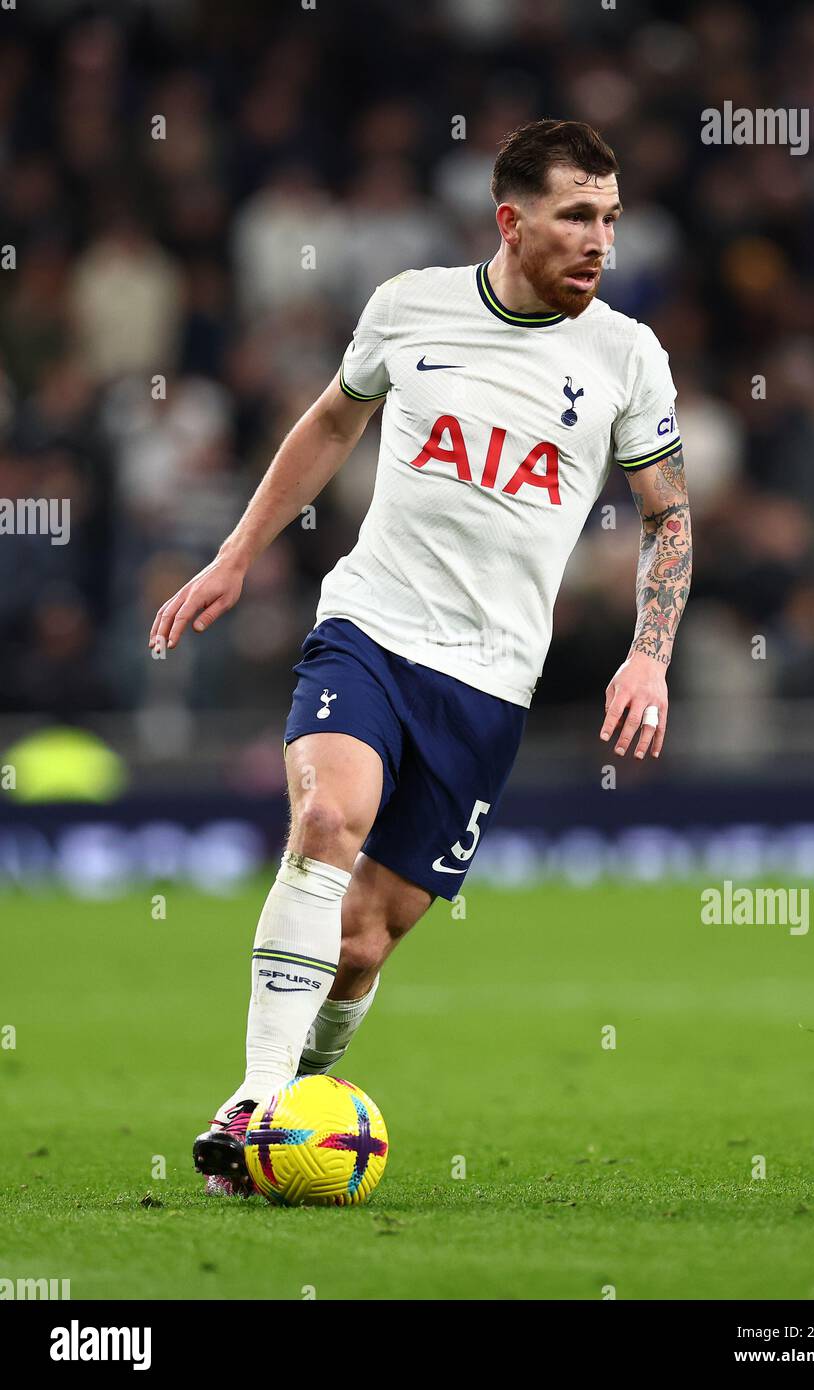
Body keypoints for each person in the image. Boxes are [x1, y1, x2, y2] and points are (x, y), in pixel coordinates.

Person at [148, 118, 693, 1195]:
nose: (600, 241)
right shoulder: (408, 305)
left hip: (488, 682)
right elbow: (328, 423)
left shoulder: (626, 355)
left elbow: (667, 516)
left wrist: (649, 656)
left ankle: (298, 1094)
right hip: (371, 629)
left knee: (361, 946)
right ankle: (256, 1100)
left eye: (611, 220)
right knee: (323, 821)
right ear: (510, 219)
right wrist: (235, 555)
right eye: (577, 216)